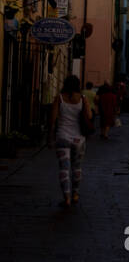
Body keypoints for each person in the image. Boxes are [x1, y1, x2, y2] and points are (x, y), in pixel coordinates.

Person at [48, 75, 91, 209]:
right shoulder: (82, 99)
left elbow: (53, 120)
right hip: (79, 139)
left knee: (64, 168)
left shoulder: (59, 98)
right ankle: (75, 195)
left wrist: (50, 135)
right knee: (76, 167)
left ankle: (66, 198)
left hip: (63, 137)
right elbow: (89, 116)